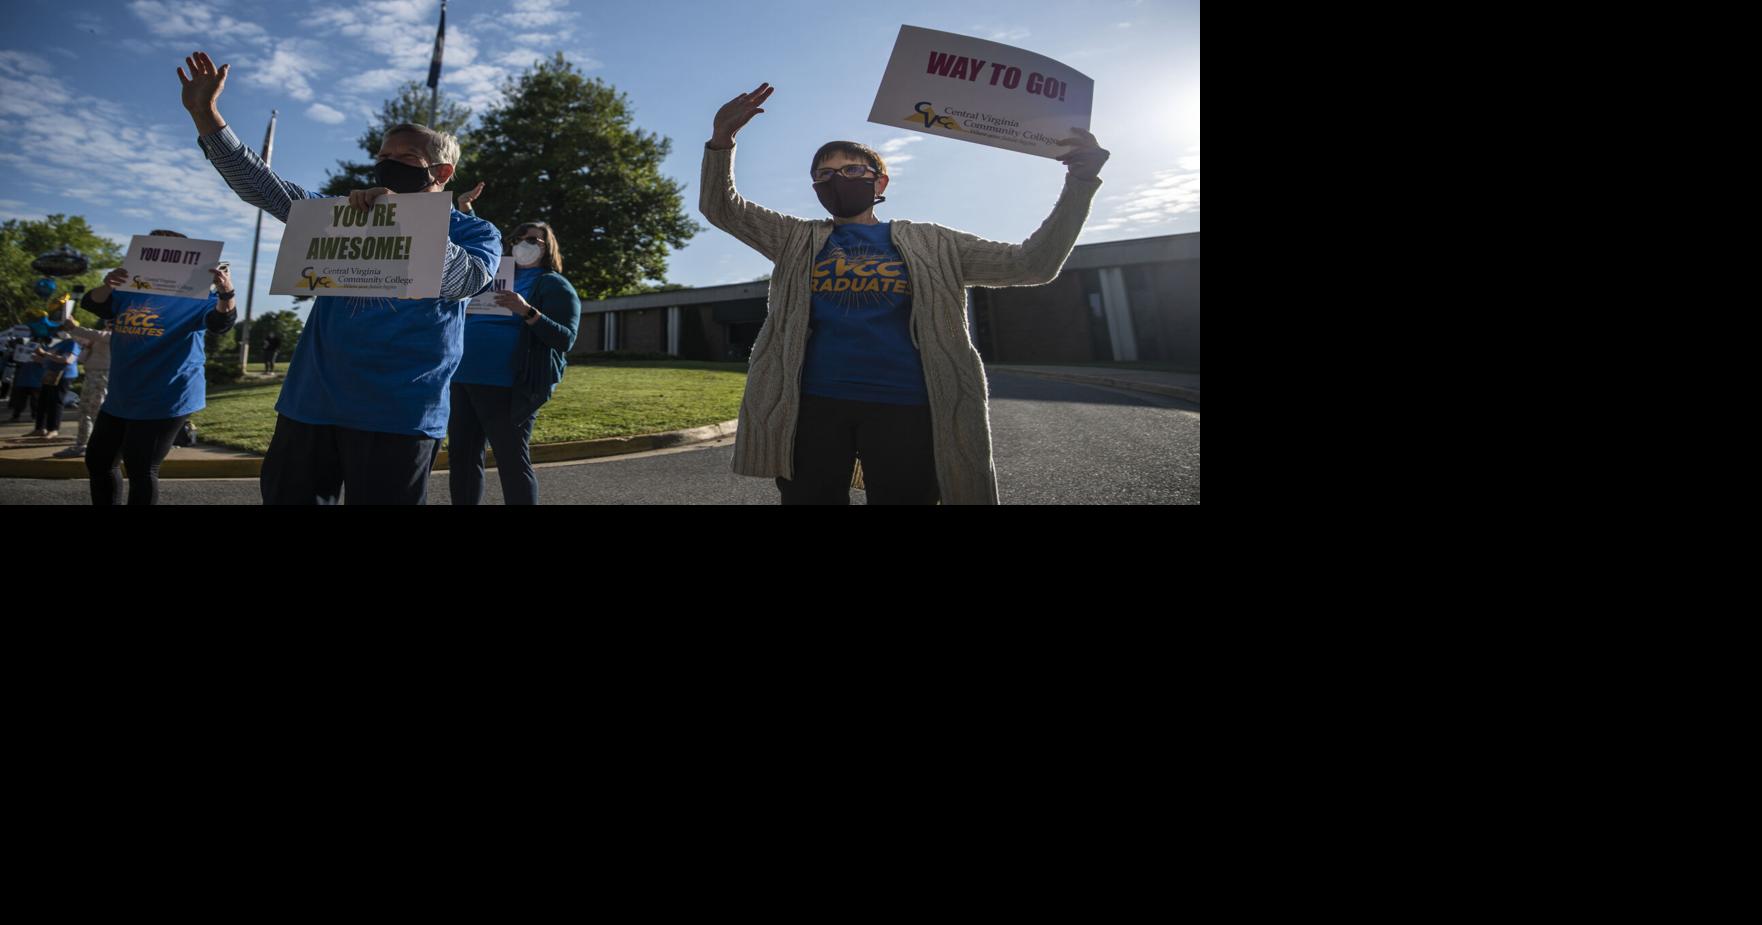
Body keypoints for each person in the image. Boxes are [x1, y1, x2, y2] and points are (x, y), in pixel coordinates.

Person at [698, 83, 1109, 504]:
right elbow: (722, 208)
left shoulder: (933, 242)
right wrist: (721, 140)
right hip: (812, 407)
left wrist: (1080, 182)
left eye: (852, 170)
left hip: (909, 407)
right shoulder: (794, 238)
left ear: (880, 182)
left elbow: (1031, 264)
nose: (838, 179)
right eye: (825, 174)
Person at [179, 50, 500, 504]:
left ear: (442, 172)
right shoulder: (343, 214)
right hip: (309, 406)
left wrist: (401, 218)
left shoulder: (477, 232)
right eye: (383, 156)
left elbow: (461, 282)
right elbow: (263, 188)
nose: (387, 164)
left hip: (399, 414)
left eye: (404, 157)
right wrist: (205, 115)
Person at [78, 240, 236, 505]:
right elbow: (92, 304)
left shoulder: (197, 297)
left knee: (140, 467)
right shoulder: (129, 291)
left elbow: (221, 323)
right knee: (98, 461)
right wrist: (108, 284)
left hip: (167, 396)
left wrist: (226, 293)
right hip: (123, 394)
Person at [446, 210, 580, 505]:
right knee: (463, 460)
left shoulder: (553, 284)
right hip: (462, 378)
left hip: (508, 385)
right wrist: (468, 213)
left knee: (511, 462)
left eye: (533, 240)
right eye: (518, 239)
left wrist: (527, 311)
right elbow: (477, 249)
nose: (523, 244)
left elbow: (564, 339)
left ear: (548, 247)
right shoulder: (497, 276)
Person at [56, 315, 112, 458]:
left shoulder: (112, 336)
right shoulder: (102, 336)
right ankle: (83, 444)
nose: (108, 324)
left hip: (102, 375)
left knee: (94, 410)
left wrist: (74, 327)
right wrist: (72, 329)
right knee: (85, 410)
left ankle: (95, 445)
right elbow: (84, 339)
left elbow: (95, 335)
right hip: (93, 374)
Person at [27, 333, 80, 439]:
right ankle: (40, 428)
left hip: (63, 375)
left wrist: (45, 353)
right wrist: (37, 358)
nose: (59, 332)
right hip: (50, 374)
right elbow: (50, 359)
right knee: (43, 401)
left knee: (56, 402)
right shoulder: (60, 343)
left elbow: (67, 360)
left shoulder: (73, 343)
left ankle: (53, 429)